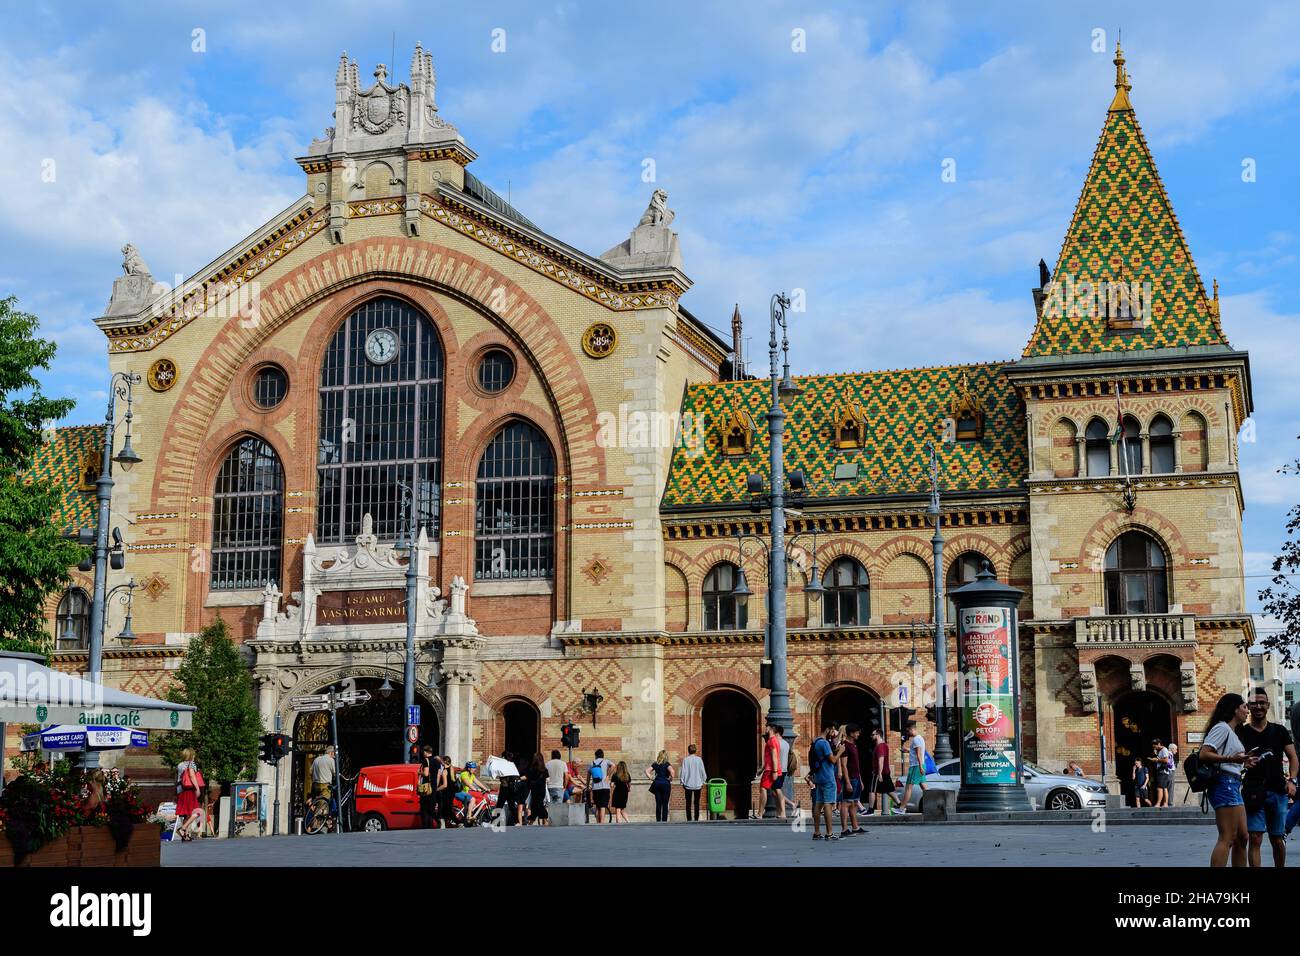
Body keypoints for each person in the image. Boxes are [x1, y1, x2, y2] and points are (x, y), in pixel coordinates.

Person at [1238, 688, 1298, 867]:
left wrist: (1292, 780)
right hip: (1253, 791)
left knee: (1278, 839)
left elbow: (1293, 757)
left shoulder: (1279, 730)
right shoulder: (1241, 732)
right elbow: (1234, 759)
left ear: (1268, 705)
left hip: (1278, 790)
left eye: (1262, 703)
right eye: (1254, 703)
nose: (1258, 706)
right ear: (1248, 706)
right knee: (1255, 838)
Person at [1199, 693, 1258, 868]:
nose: (1248, 711)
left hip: (1233, 783)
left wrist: (1243, 762)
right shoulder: (1222, 728)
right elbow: (1204, 753)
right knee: (1227, 837)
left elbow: (1230, 758)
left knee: (1242, 837)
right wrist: (1231, 760)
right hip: (1224, 784)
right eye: (1245, 707)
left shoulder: (1231, 731)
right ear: (1234, 709)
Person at [806, 720, 840, 840]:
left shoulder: (815, 741)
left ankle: (816, 832)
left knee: (818, 804)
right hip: (828, 776)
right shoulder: (824, 743)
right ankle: (829, 833)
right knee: (828, 805)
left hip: (819, 777)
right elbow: (833, 760)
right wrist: (840, 751)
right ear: (829, 729)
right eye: (832, 731)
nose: (833, 733)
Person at [837, 724, 864, 836]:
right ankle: (844, 829)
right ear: (852, 733)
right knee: (846, 802)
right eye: (857, 732)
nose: (858, 734)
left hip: (856, 777)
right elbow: (844, 765)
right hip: (851, 778)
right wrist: (847, 782)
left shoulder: (854, 745)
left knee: (853, 802)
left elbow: (856, 765)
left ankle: (855, 827)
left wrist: (860, 780)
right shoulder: (845, 746)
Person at [760, 722, 789, 820]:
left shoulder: (772, 741)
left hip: (771, 770)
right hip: (773, 769)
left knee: (765, 789)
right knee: (775, 790)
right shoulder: (775, 741)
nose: (765, 729)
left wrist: (774, 771)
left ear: (771, 728)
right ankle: (782, 812)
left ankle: (760, 813)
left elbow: (774, 757)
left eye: (766, 727)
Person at [175, 748, 205, 841]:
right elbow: (192, 776)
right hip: (189, 790)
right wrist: (197, 788)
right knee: (196, 812)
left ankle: (185, 835)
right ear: (191, 755)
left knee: (186, 813)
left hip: (181, 790)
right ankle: (183, 828)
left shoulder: (180, 765)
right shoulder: (191, 764)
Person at [900, 723, 928, 813]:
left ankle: (901, 808)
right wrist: (907, 750)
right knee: (924, 787)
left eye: (908, 731)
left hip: (916, 766)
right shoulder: (920, 738)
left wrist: (920, 767)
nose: (907, 733)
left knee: (908, 788)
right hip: (920, 765)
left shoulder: (916, 740)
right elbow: (916, 752)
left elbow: (919, 754)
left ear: (911, 729)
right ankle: (934, 803)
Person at [680, 743, 707, 821]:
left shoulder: (686, 760)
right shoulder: (699, 759)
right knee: (697, 803)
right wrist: (703, 781)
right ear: (695, 751)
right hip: (698, 784)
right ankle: (696, 818)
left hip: (688, 784)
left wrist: (682, 781)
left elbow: (683, 771)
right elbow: (702, 771)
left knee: (688, 803)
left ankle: (689, 819)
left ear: (688, 751)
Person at [646, 750, 674, 822]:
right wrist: (670, 779)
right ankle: (664, 820)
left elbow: (647, 771)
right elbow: (672, 772)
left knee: (658, 803)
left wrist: (651, 778)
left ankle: (658, 820)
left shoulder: (655, 764)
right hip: (665, 784)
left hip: (657, 783)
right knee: (665, 803)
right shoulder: (667, 764)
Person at [588, 748, 613, 823]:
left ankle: (597, 822)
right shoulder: (606, 761)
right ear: (603, 755)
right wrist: (608, 776)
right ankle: (602, 823)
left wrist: (587, 786)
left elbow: (588, 776)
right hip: (605, 787)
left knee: (598, 806)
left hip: (595, 788)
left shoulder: (591, 763)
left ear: (595, 756)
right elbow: (614, 765)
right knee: (603, 806)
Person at [419, 746, 441, 829]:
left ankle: (426, 826)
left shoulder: (426, 760)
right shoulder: (437, 761)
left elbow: (426, 773)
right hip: (434, 787)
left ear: (425, 752)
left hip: (426, 787)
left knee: (424, 808)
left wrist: (419, 773)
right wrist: (435, 785)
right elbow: (438, 775)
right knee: (432, 807)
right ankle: (435, 822)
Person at [526, 753, 551, 826]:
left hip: (534, 789)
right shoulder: (544, 769)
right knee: (536, 804)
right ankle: (532, 820)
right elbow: (548, 779)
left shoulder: (532, 769)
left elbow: (528, 778)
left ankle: (545, 818)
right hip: (542, 789)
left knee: (538, 804)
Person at [1151, 739, 1173, 808]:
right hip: (1162, 771)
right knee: (1164, 788)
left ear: (1159, 744)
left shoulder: (1164, 750)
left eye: (1155, 746)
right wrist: (1156, 755)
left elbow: (1166, 760)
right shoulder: (1160, 751)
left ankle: (1158, 803)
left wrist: (1157, 760)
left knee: (1160, 788)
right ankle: (1165, 803)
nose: (1155, 748)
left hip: (1163, 771)